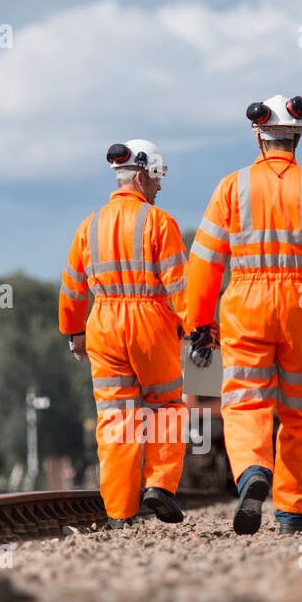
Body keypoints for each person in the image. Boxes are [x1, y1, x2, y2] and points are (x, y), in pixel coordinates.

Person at [185, 95, 302, 535]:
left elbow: (205, 260)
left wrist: (199, 323)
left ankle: (252, 471)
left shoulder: (231, 188)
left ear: (258, 134)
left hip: (246, 304)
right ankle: (291, 513)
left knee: (245, 400)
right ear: (299, 134)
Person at [58, 140, 190, 528]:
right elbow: (180, 285)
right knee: (165, 407)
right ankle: (160, 486)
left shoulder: (89, 225)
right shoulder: (158, 223)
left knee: (117, 419)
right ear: (142, 174)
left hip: (103, 326)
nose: (159, 188)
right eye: (156, 179)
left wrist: (75, 333)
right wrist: (200, 328)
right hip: (150, 323)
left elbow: (71, 288)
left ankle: (119, 514)